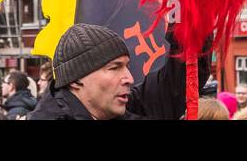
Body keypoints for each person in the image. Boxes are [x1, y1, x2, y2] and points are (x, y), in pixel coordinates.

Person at [28, 23, 209, 120]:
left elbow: (175, 86)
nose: (129, 78)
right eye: (115, 68)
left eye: (126, 66)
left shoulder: (120, 109)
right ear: (75, 80)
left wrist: (192, 22)